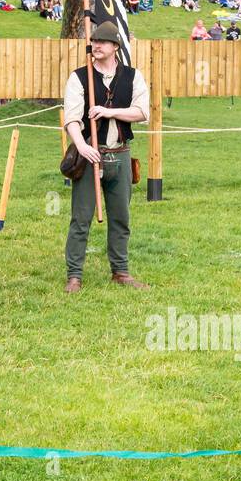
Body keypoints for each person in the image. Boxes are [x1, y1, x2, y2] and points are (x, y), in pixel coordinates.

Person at [62, 21, 150, 293]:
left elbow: (142, 112)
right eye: (94, 42)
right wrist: (82, 146)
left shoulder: (133, 77)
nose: (96, 46)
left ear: (115, 46)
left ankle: (120, 271)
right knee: (81, 217)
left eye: (102, 42)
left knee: (121, 217)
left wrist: (109, 111)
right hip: (91, 155)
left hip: (121, 155)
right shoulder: (79, 77)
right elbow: (72, 119)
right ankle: (74, 275)